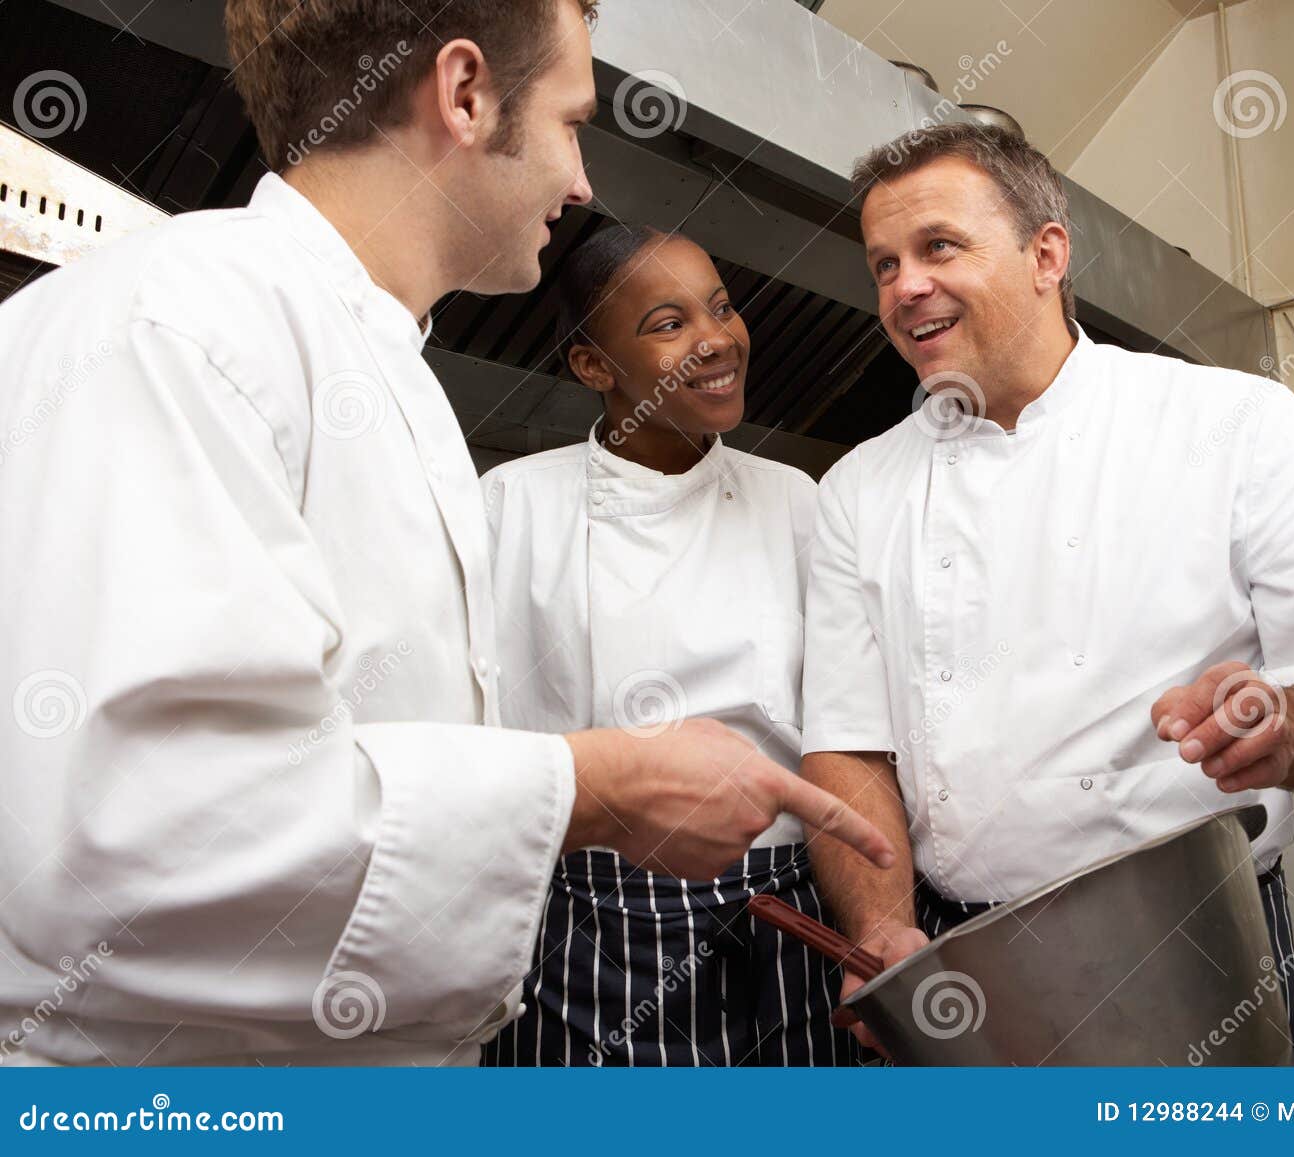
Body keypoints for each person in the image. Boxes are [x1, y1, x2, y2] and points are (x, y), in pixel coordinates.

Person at [0, 0, 889, 1067]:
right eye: (570, 123)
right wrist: (597, 785)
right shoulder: (181, 321)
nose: (582, 183)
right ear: (464, 94)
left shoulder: (381, 367)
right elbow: (136, 850)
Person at [800, 124, 1294, 1053]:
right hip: (970, 951)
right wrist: (882, 922)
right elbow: (849, 746)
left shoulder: (1233, 421)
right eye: (883, 264)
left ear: (1047, 254)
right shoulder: (855, 490)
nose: (904, 287)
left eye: (938, 247)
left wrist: (1285, 725)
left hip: (1204, 936)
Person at [479, 227, 855, 1067]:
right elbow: (473, 731)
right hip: (591, 916)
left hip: (783, 904)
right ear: (592, 367)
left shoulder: (794, 500)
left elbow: (840, 721)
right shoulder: (512, 506)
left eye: (720, 307)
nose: (716, 339)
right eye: (667, 323)